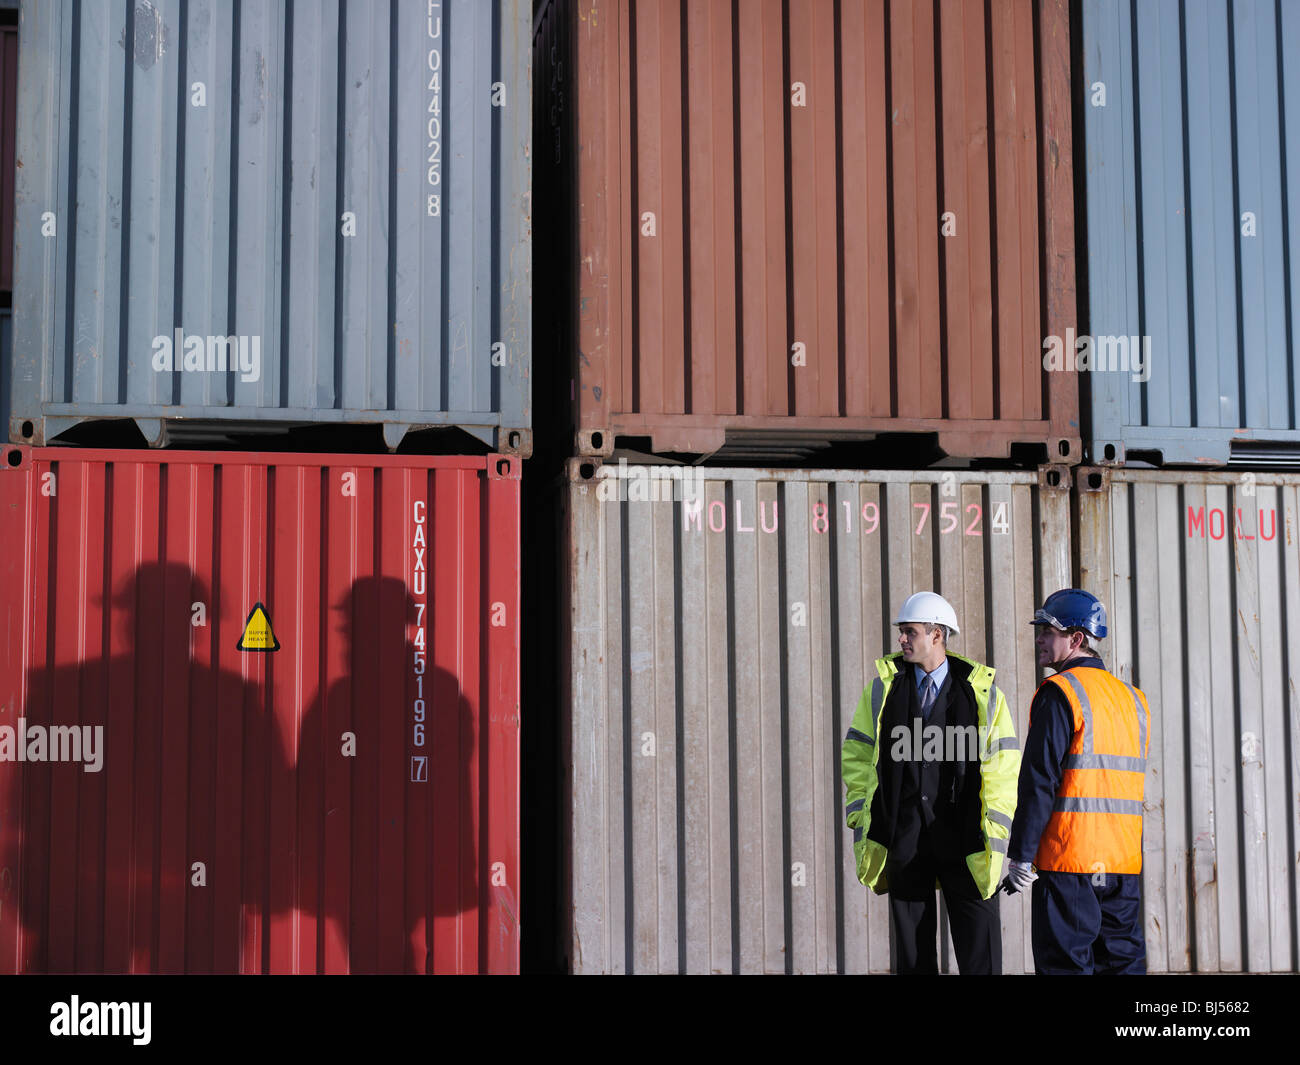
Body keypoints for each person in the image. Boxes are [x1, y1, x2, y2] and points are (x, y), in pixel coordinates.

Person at [841, 592, 1020, 974]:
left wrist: (994, 829)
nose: (902, 640)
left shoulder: (981, 693)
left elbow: (1004, 766)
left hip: (966, 839)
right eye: (902, 633)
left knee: (980, 955)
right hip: (905, 840)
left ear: (937, 635)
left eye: (910, 632)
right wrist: (860, 812)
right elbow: (857, 755)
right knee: (912, 960)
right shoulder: (883, 691)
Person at [1005, 589, 1151, 975]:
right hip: (1121, 865)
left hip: (1070, 863)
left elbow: (1039, 781)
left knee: (1065, 967)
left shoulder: (1060, 694)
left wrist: (1021, 854)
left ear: (1076, 639)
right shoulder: (1133, 699)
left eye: (1047, 631)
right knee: (1122, 966)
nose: (1038, 638)